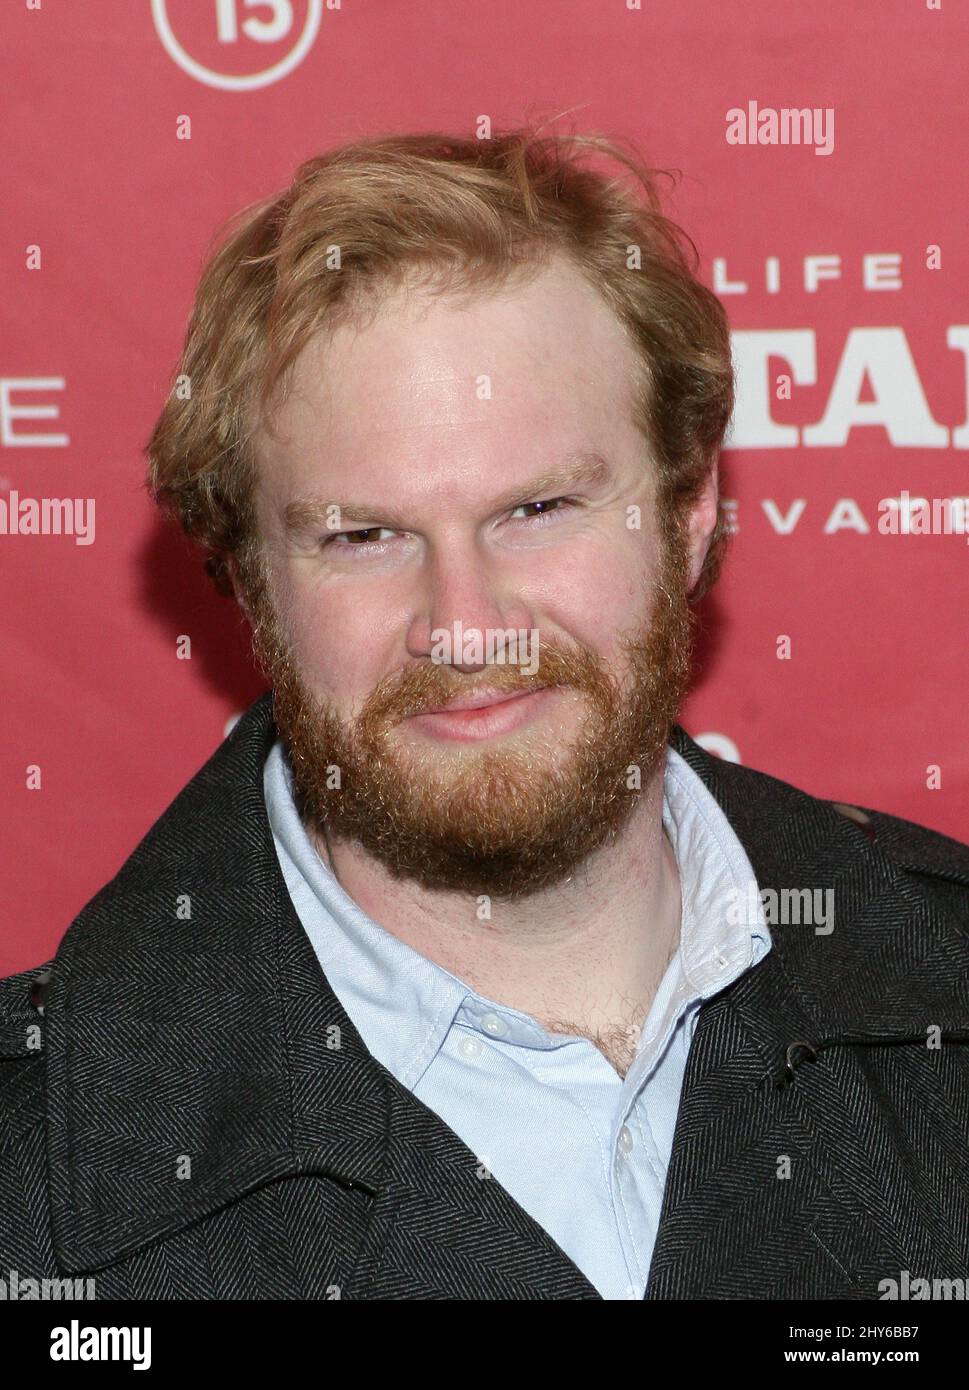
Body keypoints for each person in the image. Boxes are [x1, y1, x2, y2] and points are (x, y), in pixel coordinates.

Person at [2, 127, 968, 1302]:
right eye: (364, 535)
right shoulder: (31, 1174)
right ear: (250, 578)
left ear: (691, 508)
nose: (464, 624)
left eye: (541, 507)